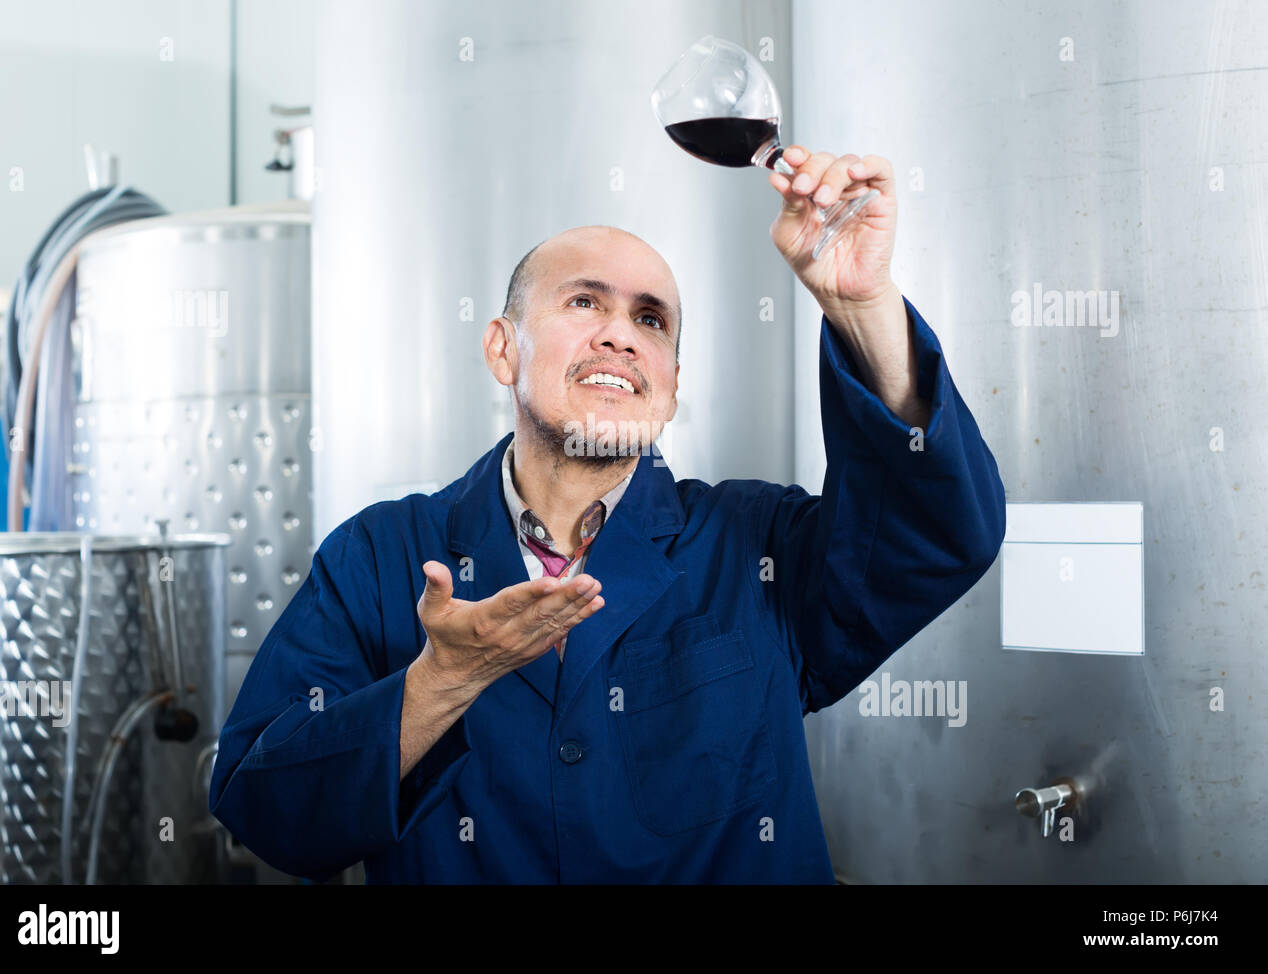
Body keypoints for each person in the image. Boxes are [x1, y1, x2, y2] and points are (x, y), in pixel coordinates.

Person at [208, 145, 1006, 883]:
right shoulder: (378, 558)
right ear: (502, 349)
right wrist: (437, 684)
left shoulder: (755, 547)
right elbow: (264, 811)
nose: (621, 335)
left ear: (671, 381)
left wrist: (861, 303)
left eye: (651, 320)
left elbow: (939, 534)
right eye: (585, 302)